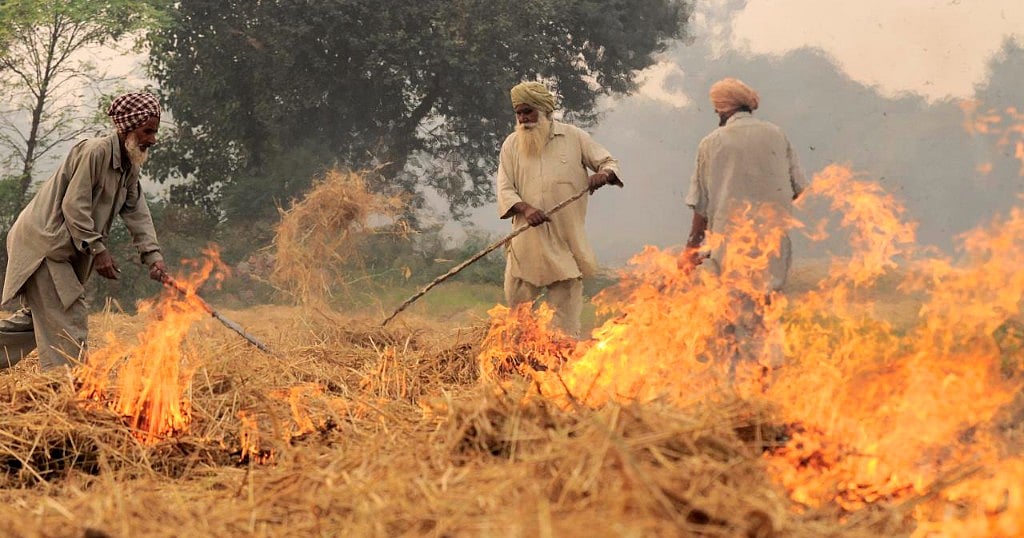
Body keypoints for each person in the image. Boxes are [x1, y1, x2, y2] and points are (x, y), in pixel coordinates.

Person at [0, 91, 169, 370]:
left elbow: (137, 210)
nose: (152, 139)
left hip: (59, 248)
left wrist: (153, 257)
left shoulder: (130, 163)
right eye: (147, 131)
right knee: (68, 314)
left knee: (38, 322)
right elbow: (74, 206)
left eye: (154, 131)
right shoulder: (95, 151)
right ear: (127, 127)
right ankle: (64, 390)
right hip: (45, 245)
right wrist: (98, 249)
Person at [680, 78, 808, 377]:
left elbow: (701, 205)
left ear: (722, 109)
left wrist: (691, 249)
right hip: (774, 242)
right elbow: (799, 189)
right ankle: (768, 379)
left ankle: (736, 389)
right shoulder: (777, 135)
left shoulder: (712, 142)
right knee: (766, 309)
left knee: (731, 315)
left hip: (730, 243)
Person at [496, 81, 622, 338]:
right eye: (519, 113)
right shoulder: (511, 144)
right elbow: (505, 188)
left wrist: (604, 174)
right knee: (517, 322)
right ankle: (514, 368)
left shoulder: (574, 137)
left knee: (564, 328)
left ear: (544, 110)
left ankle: (562, 368)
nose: (523, 119)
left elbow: (608, 162)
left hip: (565, 242)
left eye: (528, 112)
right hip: (526, 243)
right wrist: (526, 208)